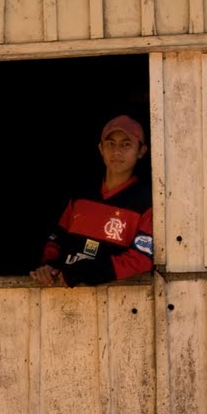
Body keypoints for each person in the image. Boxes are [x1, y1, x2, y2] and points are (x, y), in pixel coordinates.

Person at [30, 114, 155, 287]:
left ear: (141, 151)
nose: (116, 151)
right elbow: (57, 238)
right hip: (61, 298)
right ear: (100, 149)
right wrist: (49, 266)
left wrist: (81, 273)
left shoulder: (147, 202)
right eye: (110, 144)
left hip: (116, 302)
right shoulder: (81, 195)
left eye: (126, 144)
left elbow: (141, 260)